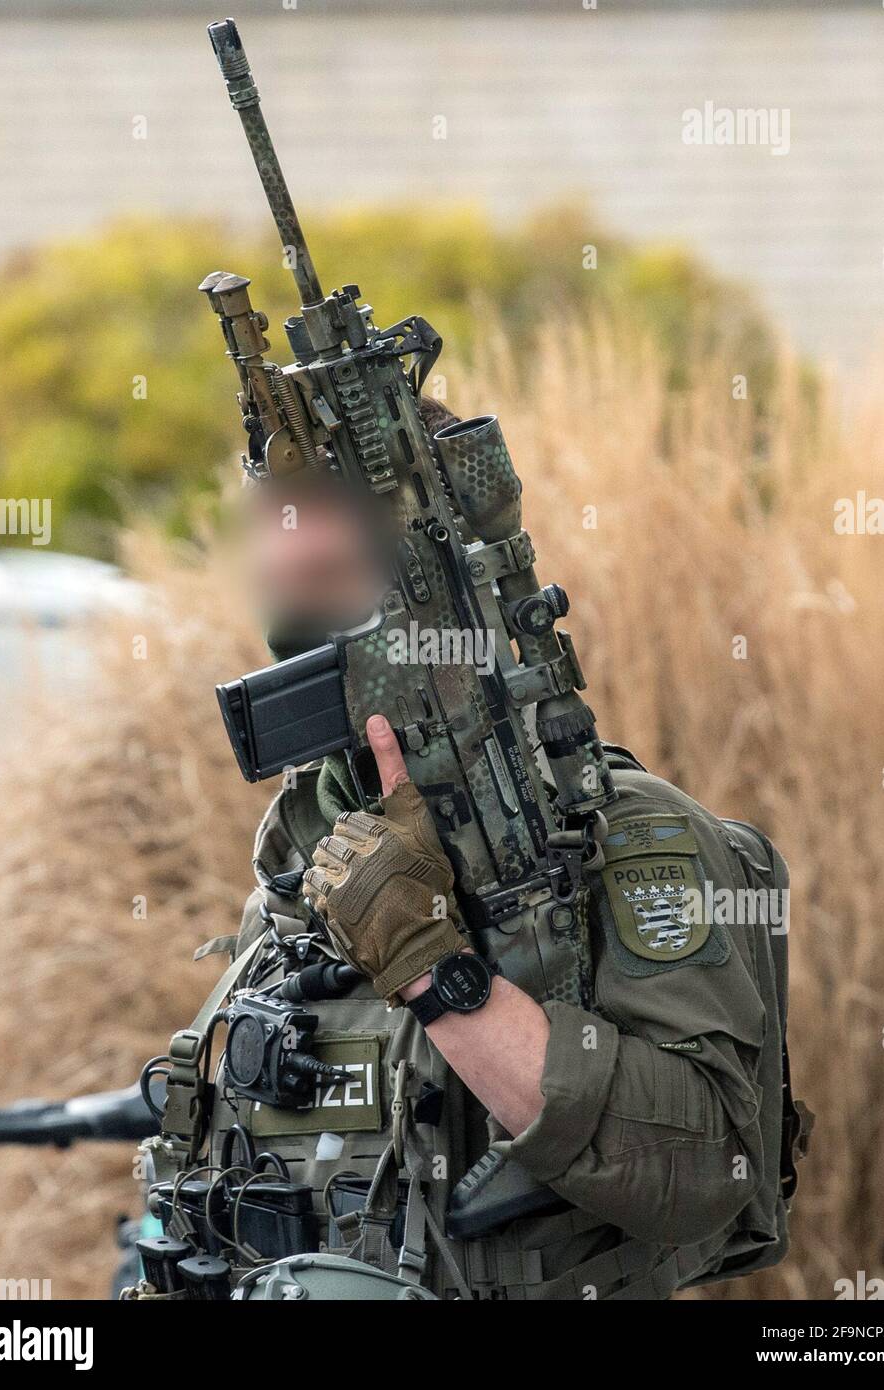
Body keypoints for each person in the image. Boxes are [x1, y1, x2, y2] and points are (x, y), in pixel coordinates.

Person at [186, 400, 807, 1301]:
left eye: (319, 508)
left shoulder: (611, 832)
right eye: (272, 512)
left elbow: (707, 1173)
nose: (285, 545)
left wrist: (433, 970)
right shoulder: (301, 855)